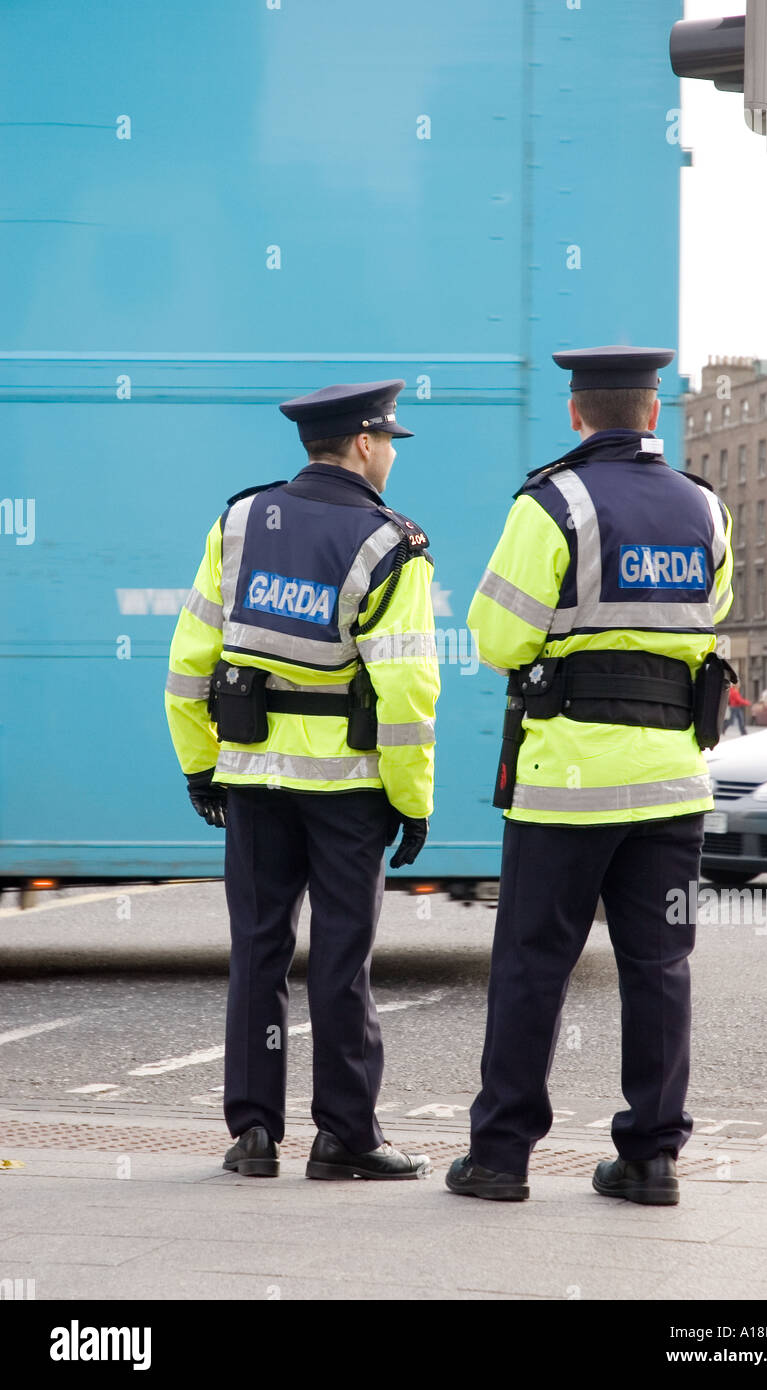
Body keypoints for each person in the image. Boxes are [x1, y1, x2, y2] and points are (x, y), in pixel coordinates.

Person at [446, 346, 734, 1205]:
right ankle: (650, 1159)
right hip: (674, 780)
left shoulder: (551, 503)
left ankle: (500, 1158)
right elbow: (708, 622)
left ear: (577, 415)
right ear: (653, 414)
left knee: (534, 962)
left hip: (567, 778)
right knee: (658, 967)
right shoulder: (705, 507)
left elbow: (497, 636)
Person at [165, 380, 440, 1182]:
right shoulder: (392, 545)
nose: (390, 454)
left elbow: (190, 661)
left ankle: (252, 1136)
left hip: (251, 778)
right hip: (349, 792)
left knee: (257, 950)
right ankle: (345, 1137)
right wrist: (412, 800)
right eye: (389, 440)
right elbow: (407, 692)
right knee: (340, 959)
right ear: (362, 443)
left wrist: (199, 764)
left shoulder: (242, 521)